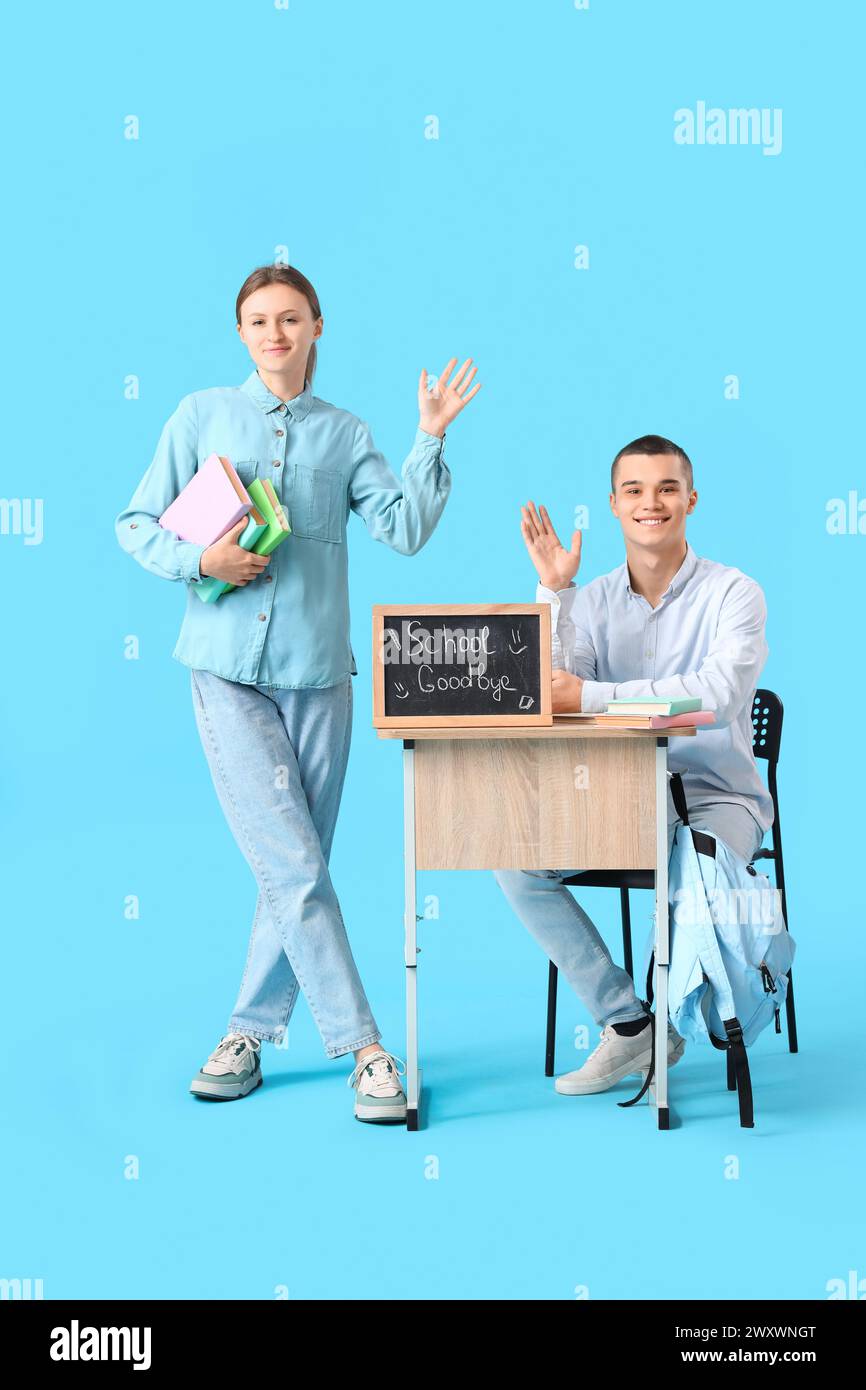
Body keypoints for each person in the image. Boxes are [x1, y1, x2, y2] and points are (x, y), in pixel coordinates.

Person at [115, 262, 481, 1121]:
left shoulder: (347, 434)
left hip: (322, 679)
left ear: (318, 326)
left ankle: (244, 1034)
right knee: (293, 866)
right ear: (240, 333)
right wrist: (202, 558)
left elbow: (406, 530)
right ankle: (366, 1049)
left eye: (290, 318)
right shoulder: (199, 415)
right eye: (257, 320)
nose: (274, 333)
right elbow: (136, 523)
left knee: (295, 869)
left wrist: (429, 436)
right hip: (226, 672)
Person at [494, 434, 772, 1096]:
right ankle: (631, 1023)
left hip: (715, 798)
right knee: (516, 856)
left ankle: (681, 1015)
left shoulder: (735, 593)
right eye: (636, 491)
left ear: (691, 500)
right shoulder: (588, 602)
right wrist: (554, 592)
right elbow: (557, 693)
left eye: (668, 488)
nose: (653, 503)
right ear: (615, 505)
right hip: (621, 796)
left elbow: (717, 696)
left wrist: (594, 698)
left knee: (691, 859)